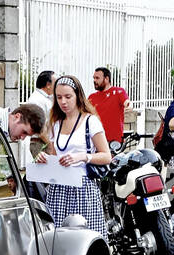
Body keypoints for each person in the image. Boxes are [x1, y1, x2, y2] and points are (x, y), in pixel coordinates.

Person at [35, 76, 111, 234]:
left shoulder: (90, 121)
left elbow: (106, 156)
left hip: (82, 188)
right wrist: (45, 159)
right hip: (58, 189)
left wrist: (84, 156)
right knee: (58, 239)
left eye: (68, 97)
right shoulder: (56, 123)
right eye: (59, 97)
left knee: (84, 238)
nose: (63, 101)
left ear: (78, 96)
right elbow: (56, 157)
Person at [88, 66, 132, 146]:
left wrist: (128, 106)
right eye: (94, 78)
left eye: (97, 78)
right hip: (95, 141)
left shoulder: (119, 92)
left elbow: (127, 103)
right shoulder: (92, 97)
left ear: (106, 79)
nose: (94, 81)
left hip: (114, 142)